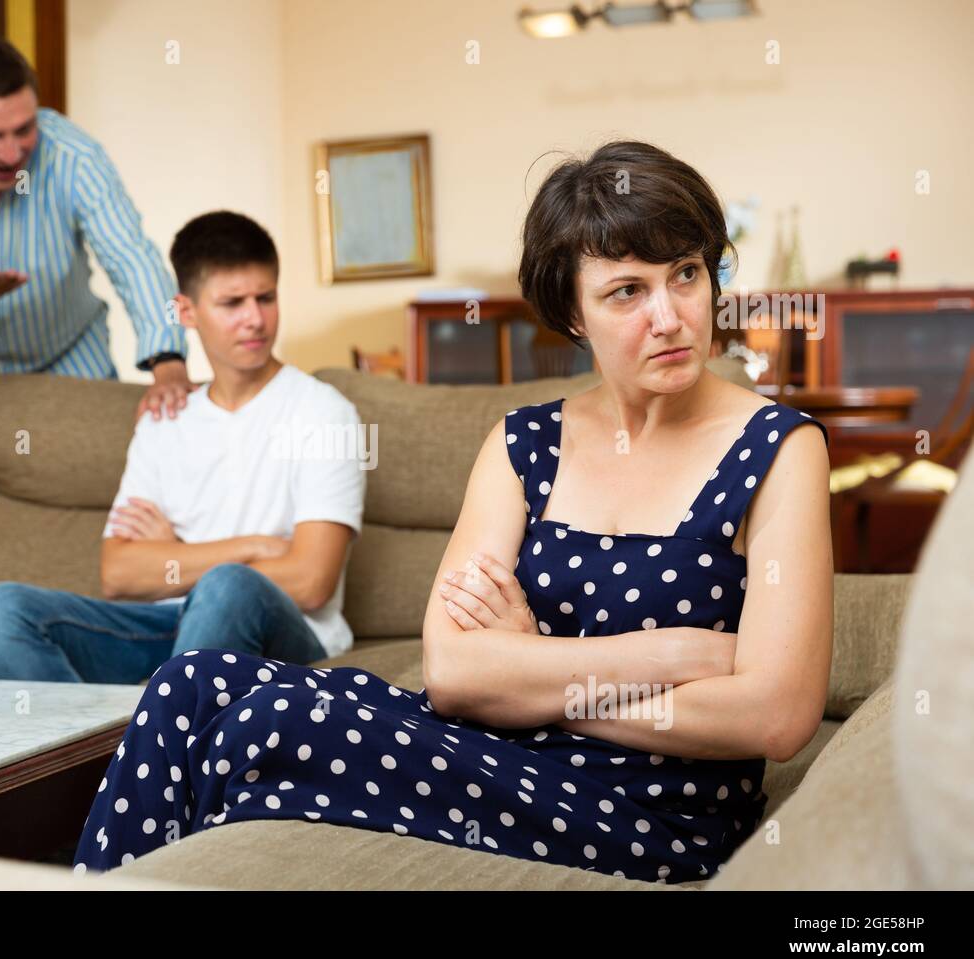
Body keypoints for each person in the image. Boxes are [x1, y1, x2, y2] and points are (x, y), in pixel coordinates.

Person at [70, 141, 834, 884]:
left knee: (265, 728)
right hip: (496, 749)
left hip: (649, 812)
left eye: (686, 275)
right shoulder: (525, 442)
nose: (669, 316)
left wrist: (534, 674)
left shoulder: (779, 448)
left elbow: (774, 715)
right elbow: (454, 671)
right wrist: (666, 656)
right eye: (627, 291)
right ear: (574, 314)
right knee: (191, 684)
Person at [0, 211, 366, 682]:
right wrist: (254, 545)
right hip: (167, 626)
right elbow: (119, 573)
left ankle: (153, 748)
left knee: (228, 586)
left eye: (266, 298)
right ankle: (94, 755)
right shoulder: (165, 420)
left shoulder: (322, 412)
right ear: (187, 312)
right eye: (232, 303)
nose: (255, 319)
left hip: (287, 634)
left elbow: (311, 582)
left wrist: (180, 555)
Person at [0, 39, 195, 423]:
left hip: (68, 361)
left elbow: (132, 259)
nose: (10, 154)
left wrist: (168, 358)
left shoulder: (75, 157)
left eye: (24, 130)